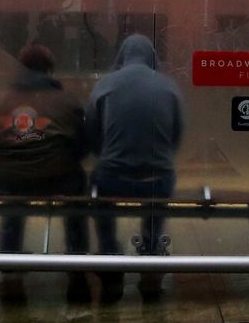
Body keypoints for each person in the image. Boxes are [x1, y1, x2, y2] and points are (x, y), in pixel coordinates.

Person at [0, 44, 90, 304]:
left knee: (11, 195)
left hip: (4, 179)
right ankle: (76, 263)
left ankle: (10, 266)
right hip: (55, 177)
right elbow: (83, 145)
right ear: (50, 71)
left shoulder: (1, 99)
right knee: (77, 192)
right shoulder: (66, 101)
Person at [85, 34, 183, 303]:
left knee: (96, 188)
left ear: (123, 56)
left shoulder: (105, 85)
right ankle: (151, 258)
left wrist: (107, 156)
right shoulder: (168, 87)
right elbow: (176, 135)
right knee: (158, 199)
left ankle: (110, 257)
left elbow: (91, 131)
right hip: (157, 179)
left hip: (113, 177)